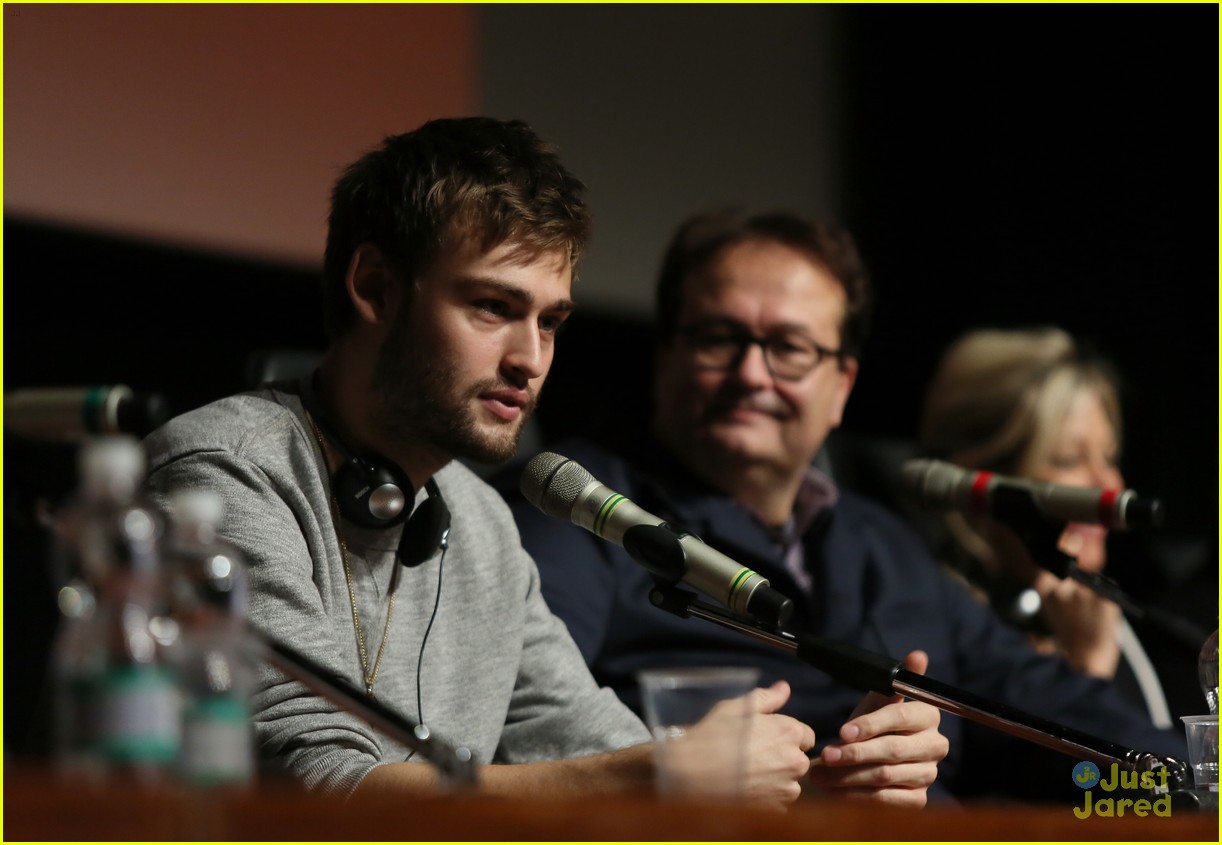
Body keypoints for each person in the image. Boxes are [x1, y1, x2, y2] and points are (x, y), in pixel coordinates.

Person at [142, 118, 815, 805]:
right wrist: (657, 776)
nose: (530, 359)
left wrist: (812, 791)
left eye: (550, 322)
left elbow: (593, 745)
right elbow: (320, 788)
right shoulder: (222, 472)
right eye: (495, 306)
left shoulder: (479, 520)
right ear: (375, 287)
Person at [497, 208, 1186, 803]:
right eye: (718, 338)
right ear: (665, 358)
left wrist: (1197, 778)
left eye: (789, 348)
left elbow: (1051, 707)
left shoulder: (884, 540)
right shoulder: (581, 512)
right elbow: (528, 731)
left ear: (842, 386)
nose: (750, 373)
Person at [917, 326, 1173, 728]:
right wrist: (1087, 675)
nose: (1111, 487)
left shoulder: (1094, 613)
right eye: (1070, 460)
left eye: (1109, 457)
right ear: (977, 481)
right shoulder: (942, 632)